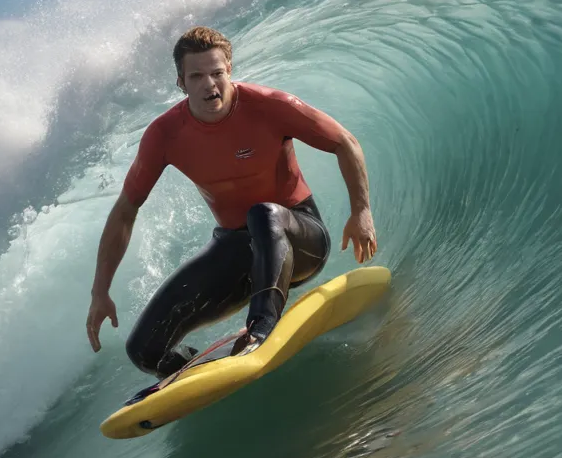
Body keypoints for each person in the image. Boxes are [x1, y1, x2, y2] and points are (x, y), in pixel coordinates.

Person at [85, 26, 378, 378]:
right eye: (196, 76)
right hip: (238, 251)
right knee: (144, 350)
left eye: (217, 73)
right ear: (181, 83)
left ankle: (260, 330)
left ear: (229, 71)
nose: (209, 84)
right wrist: (100, 291)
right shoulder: (165, 135)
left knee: (263, 215)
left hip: (300, 239)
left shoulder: (270, 106)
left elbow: (344, 142)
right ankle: (197, 373)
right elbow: (125, 210)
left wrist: (361, 211)